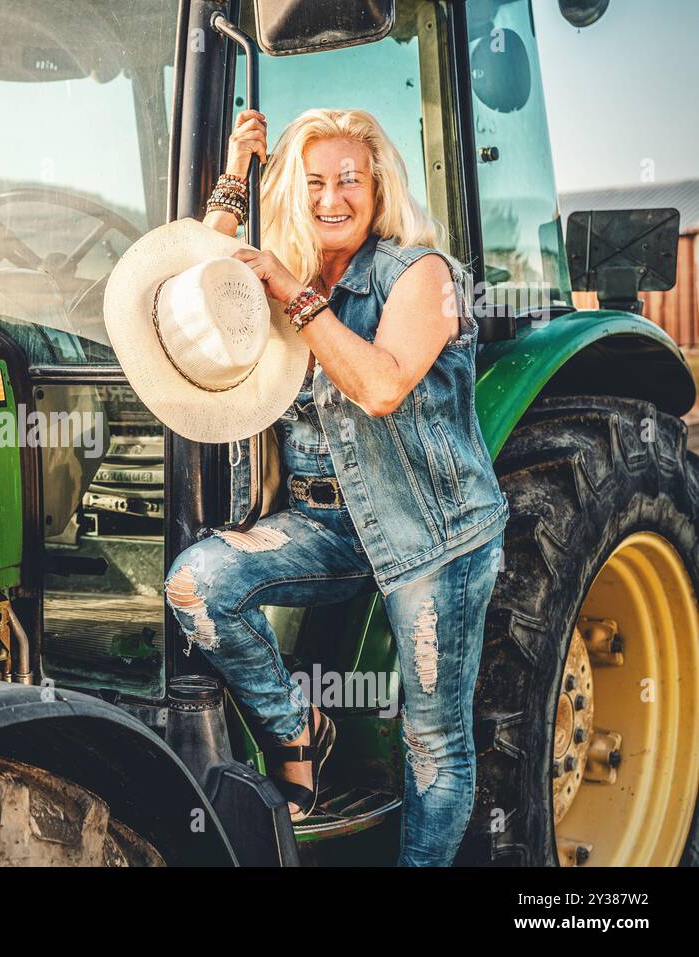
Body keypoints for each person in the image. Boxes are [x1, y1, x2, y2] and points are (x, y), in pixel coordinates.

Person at [163, 107, 509, 866]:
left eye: (349, 179)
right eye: (313, 181)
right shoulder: (286, 275)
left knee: (433, 739)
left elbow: (381, 386)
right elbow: (187, 288)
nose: (331, 198)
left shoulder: (422, 275)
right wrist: (232, 178)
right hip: (326, 526)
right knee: (196, 583)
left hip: (431, 534)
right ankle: (297, 729)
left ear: (377, 186)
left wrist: (292, 290)